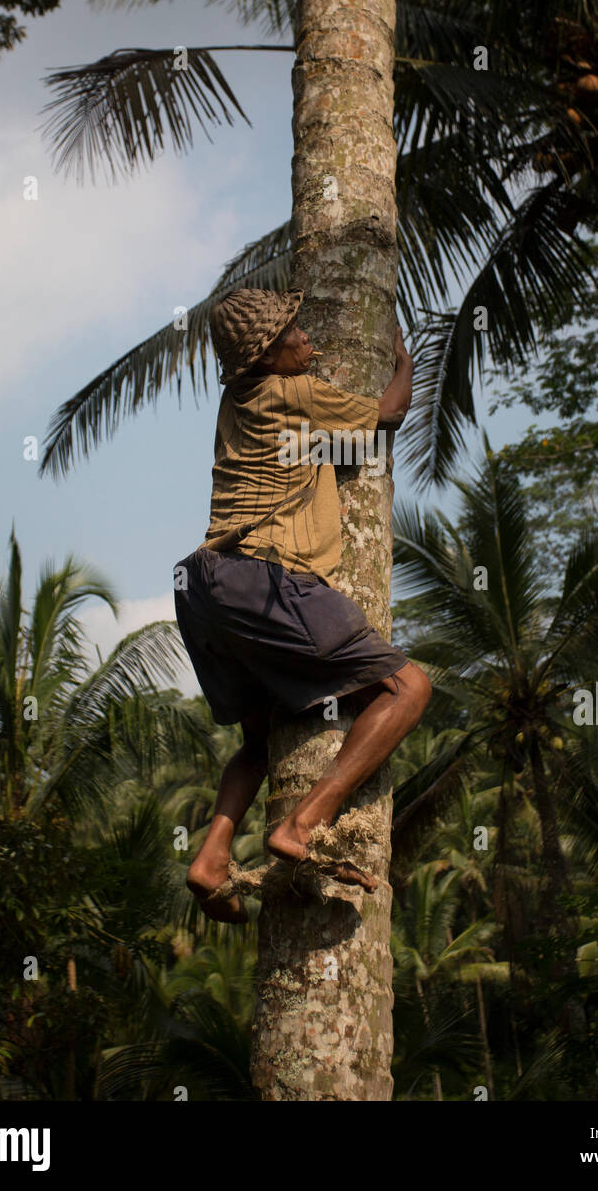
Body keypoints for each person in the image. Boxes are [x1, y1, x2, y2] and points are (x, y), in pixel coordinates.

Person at [173, 287, 432, 922]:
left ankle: (210, 859)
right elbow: (389, 415)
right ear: (267, 353)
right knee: (410, 689)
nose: (307, 340)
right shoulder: (298, 394)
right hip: (260, 579)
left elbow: (324, 450)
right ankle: (304, 821)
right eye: (294, 333)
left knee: (258, 740)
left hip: (199, 585)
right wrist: (404, 364)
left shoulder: (238, 402)